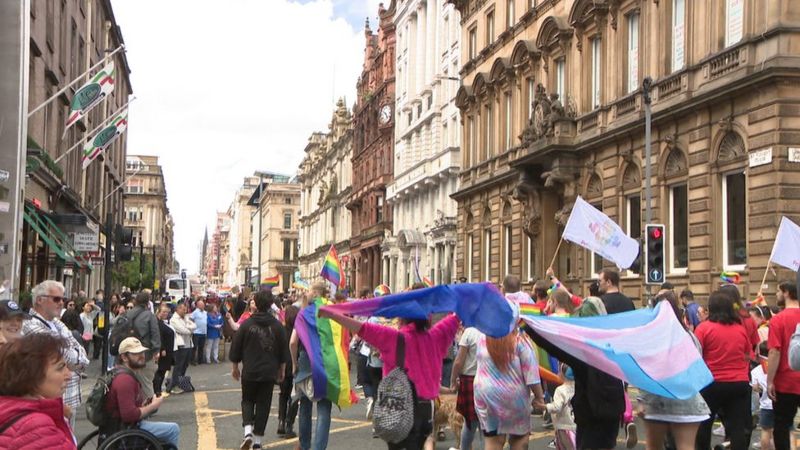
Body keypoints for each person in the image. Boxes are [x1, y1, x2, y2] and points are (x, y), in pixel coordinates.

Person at [319, 288, 461, 450]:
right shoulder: (436, 337)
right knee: (424, 440)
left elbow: (361, 328)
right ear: (427, 318)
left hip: (398, 404)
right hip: (426, 407)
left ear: (402, 317)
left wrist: (332, 314)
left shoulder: (393, 338)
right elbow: (457, 317)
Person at [524, 297, 625, 450]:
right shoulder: (613, 344)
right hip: (611, 411)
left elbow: (554, 346)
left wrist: (528, 326)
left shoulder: (583, 351)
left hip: (590, 413)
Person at [636, 290, 710, 450]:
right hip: (687, 397)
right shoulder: (689, 335)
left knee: (654, 447)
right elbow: (697, 364)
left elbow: (646, 369)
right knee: (686, 447)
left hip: (657, 398)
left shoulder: (652, 337)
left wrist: (642, 400)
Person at [22, 280, 89, 430]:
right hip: (50, 401)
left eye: (63, 299)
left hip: (69, 398)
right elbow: (67, 356)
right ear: (39, 300)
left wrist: (75, 355)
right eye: (56, 299)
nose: (61, 303)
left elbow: (82, 355)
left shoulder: (58, 324)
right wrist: (75, 355)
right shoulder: (30, 325)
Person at [230, 291, 289, 450]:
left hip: (250, 369)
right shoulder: (277, 326)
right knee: (264, 404)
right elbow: (283, 349)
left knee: (247, 400)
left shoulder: (247, 324)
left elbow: (236, 346)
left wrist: (235, 367)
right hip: (269, 371)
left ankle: (247, 431)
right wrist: (282, 369)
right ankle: (257, 441)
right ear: (271, 304)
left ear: (255, 302)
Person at [694, 291, 753, 450]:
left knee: (704, 425)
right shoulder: (740, 329)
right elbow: (748, 355)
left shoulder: (703, 328)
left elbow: (695, 356)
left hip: (712, 383)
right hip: (739, 383)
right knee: (737, 428)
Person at [473, 322, 545, 450]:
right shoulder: (519, 340)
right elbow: (532, 375)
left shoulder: (482, 337)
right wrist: (539, 397)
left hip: (485, 396)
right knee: (519, 440)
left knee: (493, 441)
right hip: (514, 399)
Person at [0, 333, 75, 449]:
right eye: (60, 368)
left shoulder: (8, 409)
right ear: (32, 375)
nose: (69, 375)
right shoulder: (37, 426)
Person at [105, 337, 180, 448]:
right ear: (124, 357)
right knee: (173, 429)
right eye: (135, 353)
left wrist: (143, 405)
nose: (141, 356)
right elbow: (129, 415)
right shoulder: (124, 380)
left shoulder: (119, 373)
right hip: (126, 429)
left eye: (142, 352)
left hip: (117, 426)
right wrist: (153, 406)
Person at [289, 282, 334, 450]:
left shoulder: (303, 314)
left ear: (313, 293)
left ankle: (305, 445)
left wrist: (294, 364)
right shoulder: (331, 312)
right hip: (327, 362)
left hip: (306, 362)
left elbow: (293, 342)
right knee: (324, 408)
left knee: (305, 406)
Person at [767, 280, 800, 450]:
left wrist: (770, 381)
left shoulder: (778, 320)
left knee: (782, 426)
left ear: (786, 292)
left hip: (785, 381)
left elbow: (774, 352)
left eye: (779, 291)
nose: (776, 294)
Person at [449, 325, 482, 450]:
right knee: (486, 425)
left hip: (470, 380)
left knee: (469, 423)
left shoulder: (469, 332)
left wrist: (453, 381)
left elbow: (459, 361)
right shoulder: (491, 331)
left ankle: (463, 448)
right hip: (488, 380)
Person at [125, 291, 161, 400]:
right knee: (146, 383)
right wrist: (156, 351)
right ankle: (149, 408)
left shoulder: (127, 314)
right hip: (145, 354)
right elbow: (155, 334)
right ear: (148, 302)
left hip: (127, 354)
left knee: (129, 382)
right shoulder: (149, 316)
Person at [277, 300, 300, 439]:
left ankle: (280, 422)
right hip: (295, 365)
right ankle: (289, 425)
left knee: (283, 394)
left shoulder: (280, 330)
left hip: (282, 366)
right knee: (295, 396)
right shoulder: (299, 331)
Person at [168, 301, 195, 395]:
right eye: (183, 309)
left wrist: (188, 328)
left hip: (188, 344)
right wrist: (189, 329)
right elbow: (183, 330)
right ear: (178, 309)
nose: (185, 311)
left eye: (186, 309)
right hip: (180, 345)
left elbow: (194, 326)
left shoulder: (186, 317)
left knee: (185, 365)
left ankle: (179, 382)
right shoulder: (174, 319)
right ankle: (173, 386)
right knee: (178, 366)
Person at [546, 363, 576, 450]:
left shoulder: (560, 390)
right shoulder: (580, 388)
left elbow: (556, 407)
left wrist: (544, 406)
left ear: (563, 374)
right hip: (579, 426)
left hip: (564, 427)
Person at [752, 342, 774, 450]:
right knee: (783, 431)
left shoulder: (755, 371)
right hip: (780, 402)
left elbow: (755, 388)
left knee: (766, 431)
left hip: (765, 404)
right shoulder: (778, 366)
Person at [154, 304, 175, 397]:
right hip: (163, 350)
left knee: (163, 371)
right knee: (160, 371)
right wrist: (162, 348)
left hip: (168, 349)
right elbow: (158, 336)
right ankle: (157, 390)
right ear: (158, 312)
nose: (166, 313)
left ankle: (158, 390)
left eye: (167, 312)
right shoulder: (156, 323)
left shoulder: (162, 322)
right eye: (163, 312)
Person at [191, 299, 208, 365]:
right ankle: (192, 360)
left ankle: (200, 360)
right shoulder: (195, 312)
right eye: (201, 305)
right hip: (196, 332)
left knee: (201, 347)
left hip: (203, 332)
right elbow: (191, 319)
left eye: (203, 304)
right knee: (194, 347)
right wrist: (193, 326)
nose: (202, 306)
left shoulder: (205, 312)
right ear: (197, 305)